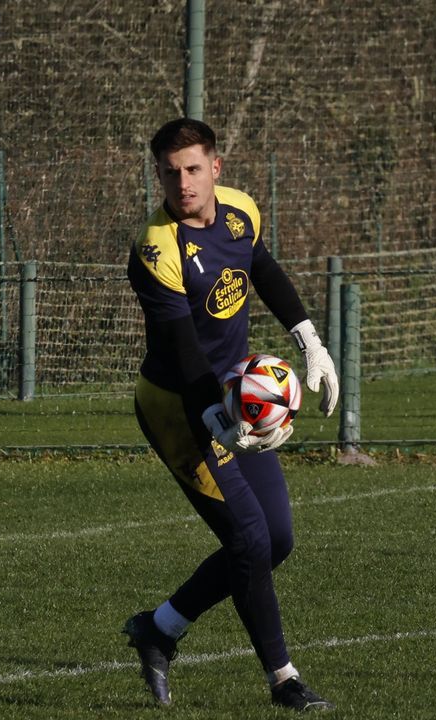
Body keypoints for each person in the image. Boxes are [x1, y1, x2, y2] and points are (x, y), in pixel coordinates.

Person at [123, 118, 339, 712]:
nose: (183, 184)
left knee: (277, 540)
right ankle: (283, 681)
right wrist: (215, 419)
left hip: (231, 396)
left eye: (193, 169)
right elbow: (183, 351)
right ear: (159, 175)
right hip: (177, 408)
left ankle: (159, 629)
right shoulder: (156, 249)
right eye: (170, 173)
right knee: (248, 537)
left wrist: (310, 341)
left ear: (215, 167)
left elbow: (261, 268)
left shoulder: (240, 211)